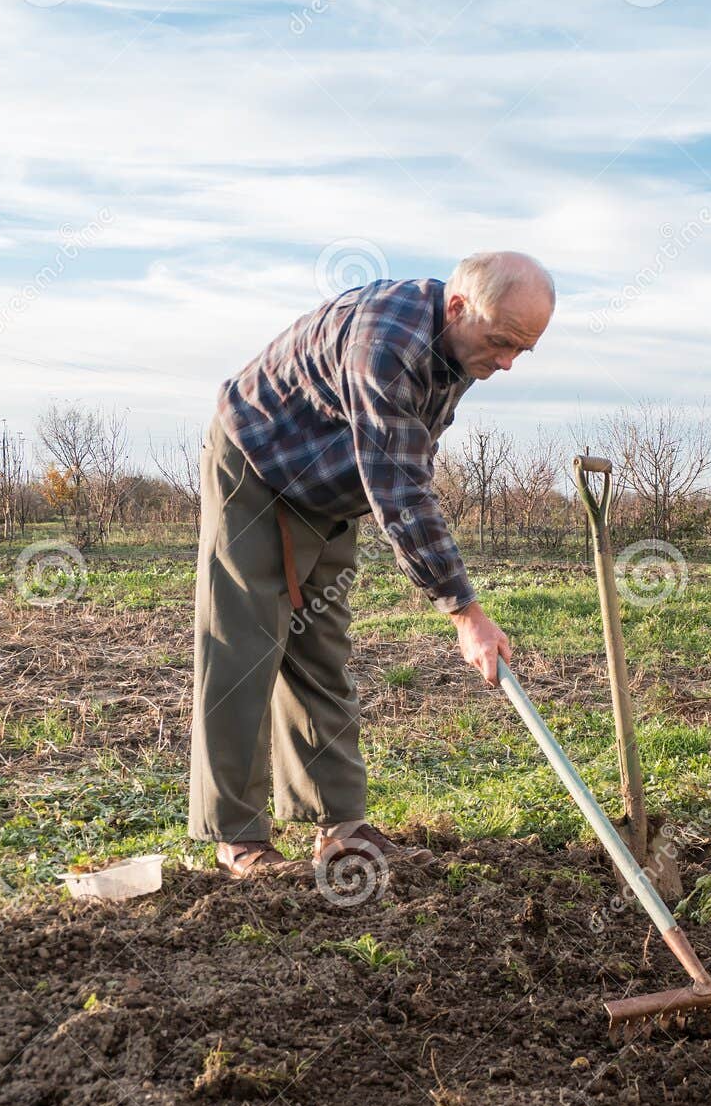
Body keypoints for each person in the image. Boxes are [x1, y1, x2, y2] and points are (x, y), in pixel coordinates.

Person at [188, 250, 555, 879]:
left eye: (522, 350)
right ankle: (237, 837)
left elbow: (409, 456)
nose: (506, 363)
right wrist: (464, 612)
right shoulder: (387, 340)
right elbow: (401, 486)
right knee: (245, 644)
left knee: (319, 647)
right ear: (460, 306)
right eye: (501, 343)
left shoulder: (460, 346)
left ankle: (340, 825)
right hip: (258, 465)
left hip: (327, 486)